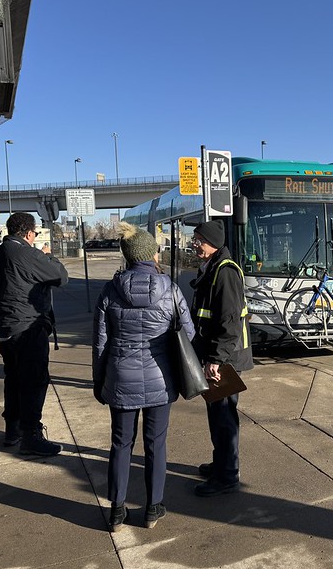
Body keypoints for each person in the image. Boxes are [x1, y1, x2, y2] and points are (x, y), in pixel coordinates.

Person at [92, 222, 194, 531]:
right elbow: (188, 333)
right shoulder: (171, 289)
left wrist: (100, 382)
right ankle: (152, 508)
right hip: (160, 379)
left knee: (121, 443)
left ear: (127, 256)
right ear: (151, 254)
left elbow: (100, 341)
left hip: (120, 379)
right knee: (156, 444)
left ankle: (117, 510)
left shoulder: (110, 290)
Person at [0, 212, 68, 456]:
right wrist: (48, 256)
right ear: (29, 233)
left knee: (13, 379)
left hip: (5, 328)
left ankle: (13, 429)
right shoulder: (28, 253)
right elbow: (60, 276)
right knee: (34, 381)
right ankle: (31, 434)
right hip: (28, 327)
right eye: (35, 234)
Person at [189, 219, 253, 497]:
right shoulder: (213, 267)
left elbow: (229, 321)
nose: (194, 244)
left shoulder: (224, 272)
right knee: (218, 415)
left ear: (211, 242)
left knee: (224, 417)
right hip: (219, 355)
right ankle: (222, 464)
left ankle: (227, 475)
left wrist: (215, 358)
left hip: (224, 359)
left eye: (198, 240)